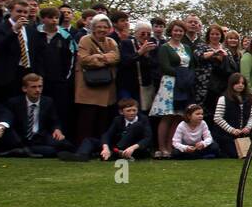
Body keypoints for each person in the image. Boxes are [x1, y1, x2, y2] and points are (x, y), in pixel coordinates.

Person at [74, 14, 121, 144]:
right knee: (86, 122)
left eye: (105, 27)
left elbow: (116, 58)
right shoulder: (85, 40)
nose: (102, 30)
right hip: (89, 87)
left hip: (106, 87)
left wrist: (97, 57)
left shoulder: (111, 42)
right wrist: (106, 59)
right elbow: (84, 60)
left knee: (102, 122)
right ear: (93, 28)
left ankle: (100, 147)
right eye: (99, 27)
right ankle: (83, 147)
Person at [59, 98, 152, 161]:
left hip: (134, 149)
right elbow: (107, 134)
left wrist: (132, 148)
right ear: (121, 112)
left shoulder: (143, 119)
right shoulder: (117, 120)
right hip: (116, 147)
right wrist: (105, 147)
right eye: (128, 111)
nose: (132, 113)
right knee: (90, 140)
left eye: (134, 110)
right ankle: (81, 155)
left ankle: (111, 154)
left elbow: (147, 138)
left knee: (136, 126)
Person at [152, 20, 194, 159]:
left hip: (183, 84)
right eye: (176, 30)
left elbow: (191, 64)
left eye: (181, 31)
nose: (178, 33)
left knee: (178, 115)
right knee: (167, 116)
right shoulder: (165, 47)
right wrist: (181, 73)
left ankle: (171, 146)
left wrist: (188, 76)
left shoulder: (186, 48)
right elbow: (164, 66)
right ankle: (161, 147)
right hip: (170, 83)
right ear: (171, 31)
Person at [6, 73, 74, 157]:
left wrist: (57, 130)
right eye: (33, 87)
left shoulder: (48, 101)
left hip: (40, 136)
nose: (38, 90)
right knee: (50, 151)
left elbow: (54, 120)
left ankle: (26, 151)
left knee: (66, 145)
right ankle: (25, 150)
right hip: (21, 137)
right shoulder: (14, 103)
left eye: (40, 86)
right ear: (24, 88)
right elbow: (10, 122)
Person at [212, 72, 252, 158]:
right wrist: (231, 130)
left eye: (243, 83)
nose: (240, 85)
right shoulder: (223, 99)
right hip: (226, 135)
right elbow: (217, 118)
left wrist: (248, 127)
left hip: (243, 135)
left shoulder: (248, 99)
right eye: (237, 83)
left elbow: (251, 116)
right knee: (234, 154)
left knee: (251, 153)